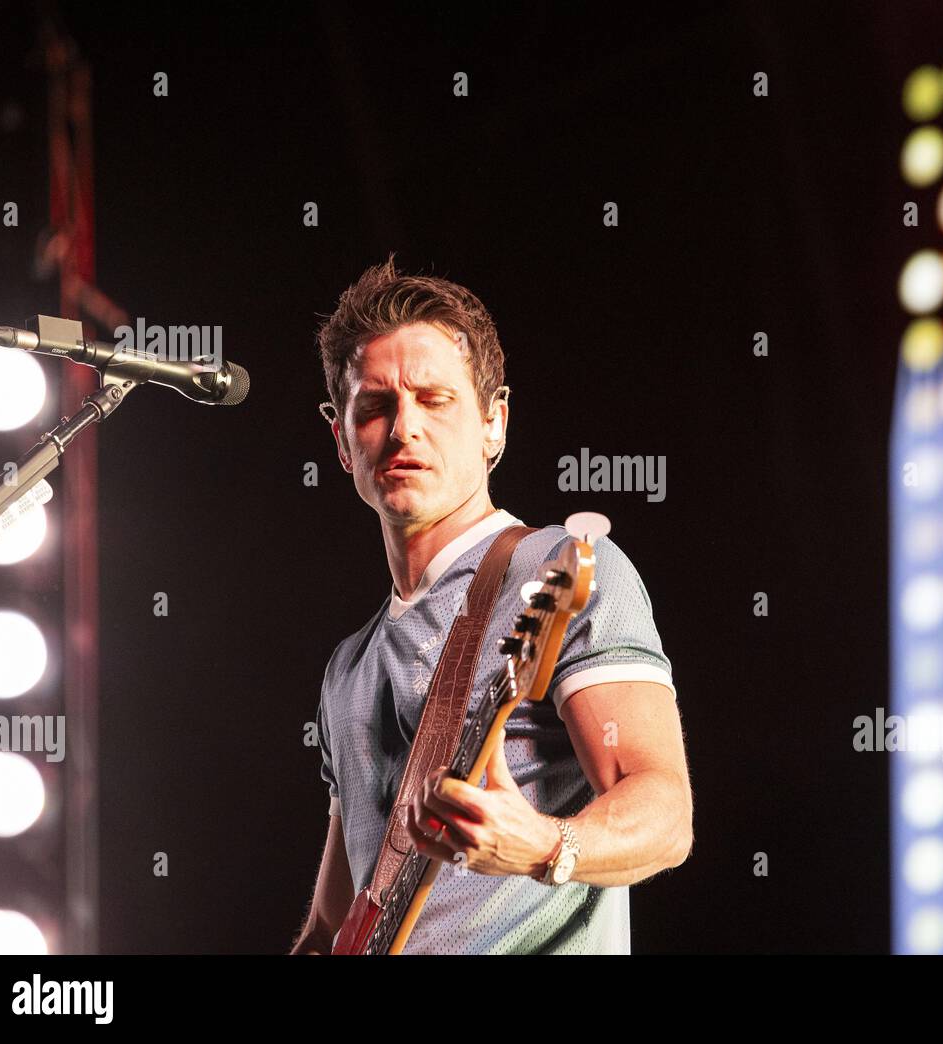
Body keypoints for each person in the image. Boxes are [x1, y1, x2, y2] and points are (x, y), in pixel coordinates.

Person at [289, 257, 693, 954]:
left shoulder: (559, 569)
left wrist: (544, 844)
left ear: (493, 423)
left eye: (435, 399)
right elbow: (333, 924)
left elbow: (665, 812)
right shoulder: (345, 669)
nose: (404, 427)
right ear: (342, 440)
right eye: (375, 405)